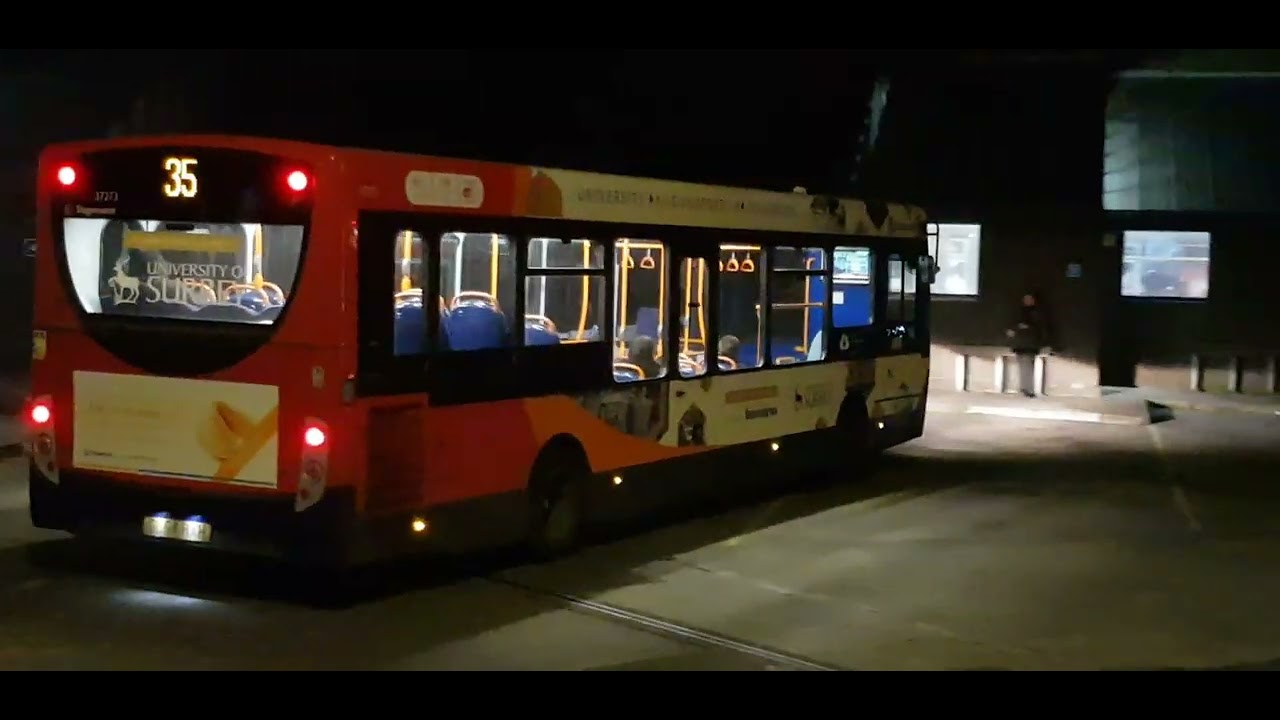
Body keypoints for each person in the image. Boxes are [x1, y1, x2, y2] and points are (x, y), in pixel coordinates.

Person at [1006, 292, 1051, 397]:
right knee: (1025, 365)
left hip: (1026, 343)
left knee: (1025, 366)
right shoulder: (1035, 313)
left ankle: (1027, 387)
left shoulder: (1026, 313)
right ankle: (1026, 387)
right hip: (1026, 343)